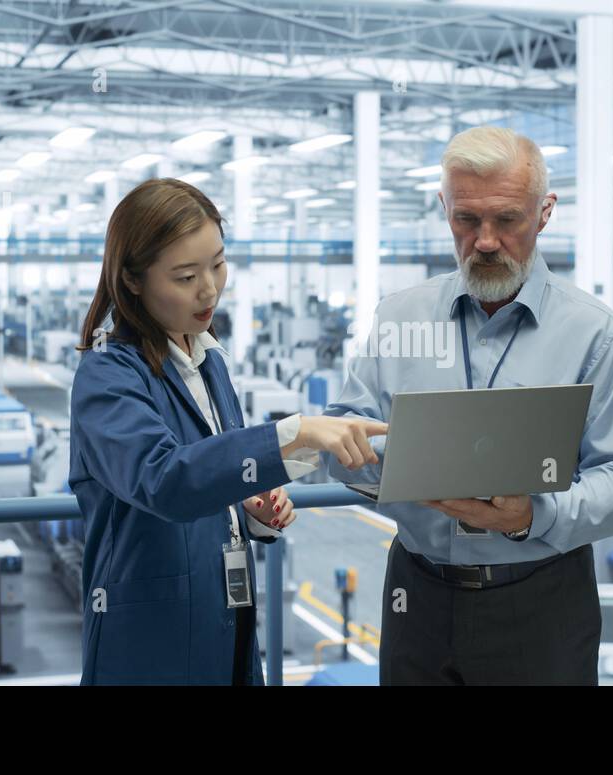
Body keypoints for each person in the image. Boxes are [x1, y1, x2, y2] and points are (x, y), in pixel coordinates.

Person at [325, 126, 613, 685]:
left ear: (544, 212)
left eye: (507, 220)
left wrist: (534, 515)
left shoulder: (597, 336)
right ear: (443, 207)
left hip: (542, 600)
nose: (485, 241)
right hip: (418, 595)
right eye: (466, 220)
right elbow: (342, 437)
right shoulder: (400, 318)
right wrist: (384, 456)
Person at [69, 178, 387, 685]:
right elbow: (164, 481)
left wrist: (247, 508)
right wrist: (295, 434)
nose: (210, 289)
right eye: (186, 276)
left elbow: (209, 472)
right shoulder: (107, 374)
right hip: (152, 646)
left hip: (224, 632)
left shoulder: (208, 359)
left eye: (218, 264)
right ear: (132, 280)